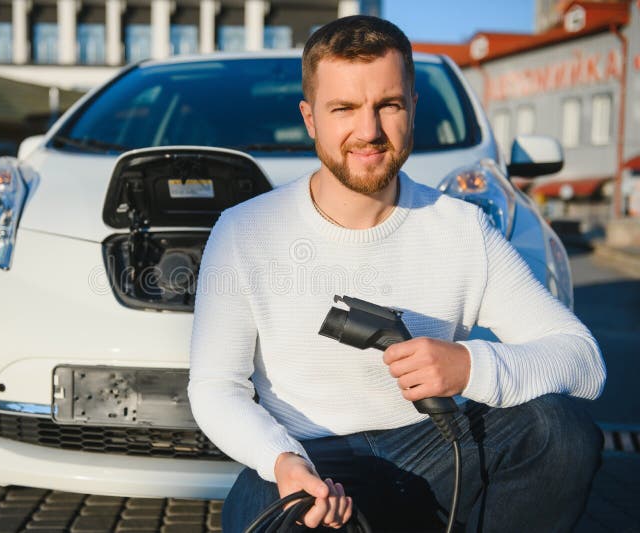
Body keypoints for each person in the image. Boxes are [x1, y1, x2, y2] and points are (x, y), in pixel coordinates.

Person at [187, 15, 606, 533]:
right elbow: (216, 387)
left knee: (559, 431)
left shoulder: (462, 228)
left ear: (412, 108)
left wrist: (470, 366)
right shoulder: (244, 231)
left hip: (436, 449)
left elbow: (583, 360)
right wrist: (281, 459)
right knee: (270, 515)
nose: (369, 132)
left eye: (388, 105)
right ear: (310, 118)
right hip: (311, 459)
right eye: (344, 108)